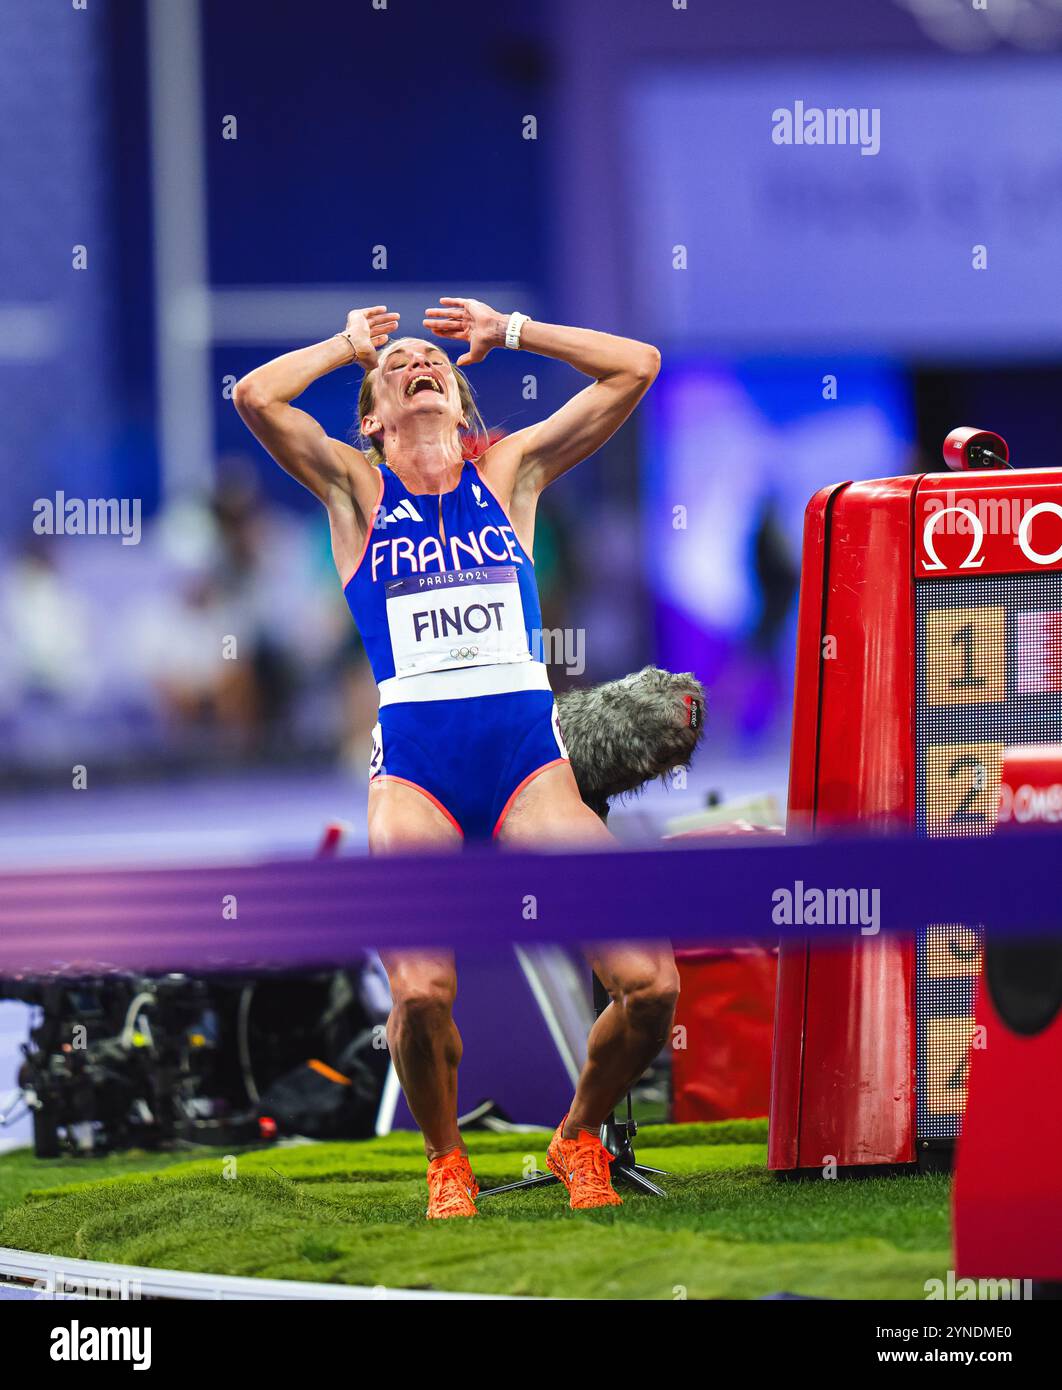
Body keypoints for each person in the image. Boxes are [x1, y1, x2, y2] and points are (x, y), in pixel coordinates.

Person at [234, 298, 679, 1216]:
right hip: (417, 778)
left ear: (461, 399)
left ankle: (575, 1137)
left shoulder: (510, 473)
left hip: (530, 768)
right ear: (371, 417)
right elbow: (254, 399)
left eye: (427, 360)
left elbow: (635, 363)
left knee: (650, 986)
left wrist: (515, 331)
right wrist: (339, 346)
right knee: (425, 994)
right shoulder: (353, 489)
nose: (414, 364)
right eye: (392, 366)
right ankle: (447, 1162)